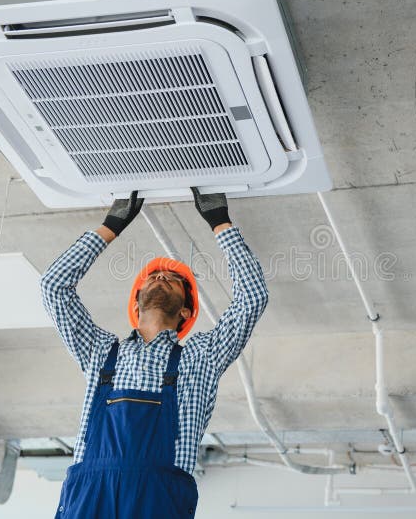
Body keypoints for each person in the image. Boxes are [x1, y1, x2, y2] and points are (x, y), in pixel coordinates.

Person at [41, 188, 268, 518]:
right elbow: (53, 286)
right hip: (92, 492)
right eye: (153, 277)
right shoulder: (99, 351)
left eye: (175, 280)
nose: (161, 276)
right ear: (136, 304)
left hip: (158, 494)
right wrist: (111, 225)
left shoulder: (201, 357)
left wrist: (220, 221)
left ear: (187, 312)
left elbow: (252, 298)